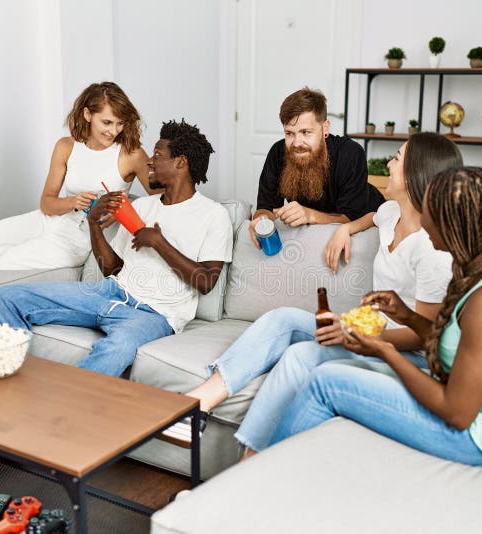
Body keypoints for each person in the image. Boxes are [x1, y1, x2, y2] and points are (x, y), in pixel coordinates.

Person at [0, 119, 234, 465]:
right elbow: (112, 267)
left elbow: (206, 281)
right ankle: (3, 409)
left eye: (157, 155)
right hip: (110, 291)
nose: (150, 163)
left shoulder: (212, 216)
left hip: (155, 315)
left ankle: (41, 427)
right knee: (11, 298)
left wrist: (158, 242)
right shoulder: (142, 207)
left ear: (181, 162)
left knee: (116, 348)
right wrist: (95, 224)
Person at [163, 133, 461, 445]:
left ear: (418, 172)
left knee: (302, 355)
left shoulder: (434, 251)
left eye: (397, 158)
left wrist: (356, 335)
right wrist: (345, 228)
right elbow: (374, 216)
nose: (388, 163)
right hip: (367, 333)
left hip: (403, 354)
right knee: (282, 320)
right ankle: (196, 405)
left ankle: (249, 458)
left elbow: (423, 337)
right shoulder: (391, 214)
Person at [270, 167, 482, 469]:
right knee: (332, 365)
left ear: (453, 225)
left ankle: (265, 479)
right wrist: (406, 315)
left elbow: (458, 413)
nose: (422, 221)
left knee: (326, 382)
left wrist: (384, 350)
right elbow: (457, 338)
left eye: (429, 212)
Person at [0, 82, 159, 357]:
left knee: (4, 262)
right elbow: (47, 202)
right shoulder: (67, 147)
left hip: (79, 236)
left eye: (119, 123)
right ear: (87, 115)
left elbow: (161, 198)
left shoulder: (131, 154)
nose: (113, 130)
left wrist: (124, 204)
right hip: (50, 219)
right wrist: (72, 201)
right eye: (107, 122)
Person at [248, 87, 384, 249]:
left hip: (367, 226)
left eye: (305, 132)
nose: (297, 143)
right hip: (313, 232)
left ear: (325, 128)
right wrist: (261, 220)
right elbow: (266, 207)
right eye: (290, 133)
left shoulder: (350, 153)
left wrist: (309, 215)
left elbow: (351, 218)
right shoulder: (278, 152)